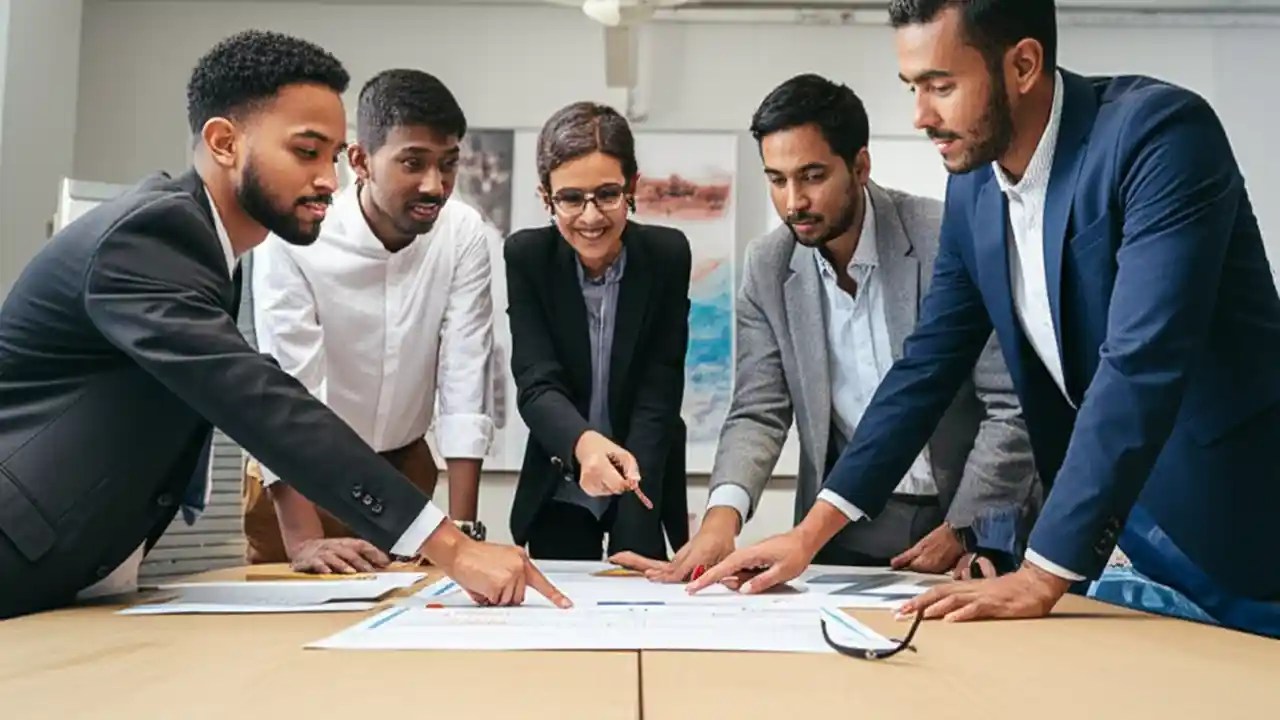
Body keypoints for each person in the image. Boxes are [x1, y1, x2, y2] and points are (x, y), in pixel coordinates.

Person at [690, 0, 1280, 638]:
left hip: (1237, 523)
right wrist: (808, 534)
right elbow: (926, 367)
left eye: (941, 86)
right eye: (913, 88)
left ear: (1023, 64)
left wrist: (1041, 571)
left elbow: (1140, 364)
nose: (921, 115)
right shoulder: (973, 187)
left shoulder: (1159, 137)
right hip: (1119, 544)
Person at [0, 30, 569, 619]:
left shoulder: (207, 250)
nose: (328, 178)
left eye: (331, 155)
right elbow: (260, 400)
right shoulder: (149, 239)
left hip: (78, 560)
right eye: (306, 152)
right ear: (225, 142)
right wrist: (450, 545)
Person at [646, 74, 1039, 584]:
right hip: (842, 527)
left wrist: (967, 525)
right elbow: (758, 411)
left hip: (963, 516)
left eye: (812, 176)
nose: (793, 202)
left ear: (860, 166)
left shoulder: (944, 237)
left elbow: (1009, 402)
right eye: (777, 179)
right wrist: (722, 517)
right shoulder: (768, 266)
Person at [244, 68, 498, 574]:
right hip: (301, 476)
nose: (435, 185)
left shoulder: (463, 231)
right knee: (288, 632)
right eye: (413, 163)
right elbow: (286, 390)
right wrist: (303, 541)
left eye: (448, 164)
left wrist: (464, 533)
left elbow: (466, 372)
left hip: (405, 470)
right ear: (360, 160)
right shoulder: (296, 238)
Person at [504, 101, 692, 562]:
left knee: (640, 603)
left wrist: (634, 504)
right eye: (571, 198)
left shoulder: (666, 256)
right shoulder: (527, 258)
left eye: (607, 194)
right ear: (547, 197)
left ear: (632, 187)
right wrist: (584, 447)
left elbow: (660, 387)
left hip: (643, 470)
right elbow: (536, 383)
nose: (590, 217)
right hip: (560, 478)